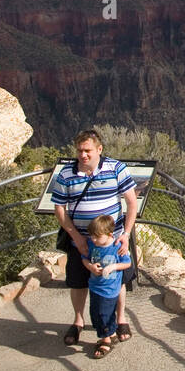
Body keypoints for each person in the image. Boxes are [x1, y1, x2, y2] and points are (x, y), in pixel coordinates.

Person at [52, 129, 138, 348]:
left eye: (88, 150)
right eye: (79, 150)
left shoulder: (116, 168)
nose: (83, 155)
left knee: (118, 280)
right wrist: (77, 237)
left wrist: (126, 234)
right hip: (81, 242)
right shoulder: (66, 174)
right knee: (78, 282)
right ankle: (78, 322)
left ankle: (120, 319)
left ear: (99, 149)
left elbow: (131, 202)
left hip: (113, 241)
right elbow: (59, 209)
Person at [83, 215, 132, 358]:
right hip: (95, 286)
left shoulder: (116, 246)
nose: (93, 239)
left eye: (97, 237)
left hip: (109, 289)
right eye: (92, 236)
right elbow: (84, 258)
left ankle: (106, 340)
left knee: (103, 314)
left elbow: (127, 263)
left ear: (110, 234)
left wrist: (113, 267)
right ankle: (111, 333)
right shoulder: (92, 245)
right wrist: (91, 267)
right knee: (96, 313)